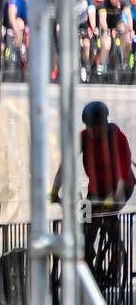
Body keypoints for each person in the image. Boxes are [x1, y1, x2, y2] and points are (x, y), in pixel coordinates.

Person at [51, 100, 135, 271]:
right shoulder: (83, 137)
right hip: (96, 188)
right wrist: (54, 190)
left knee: (108, 216)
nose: (91, 131)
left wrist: (114, 199)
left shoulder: (118, 138)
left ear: (104, 123)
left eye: (95, 126)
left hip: (121, 186)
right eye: (88, 126)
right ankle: (87, 256)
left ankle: (116, 252)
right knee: (85, 225)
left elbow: (122, 174)